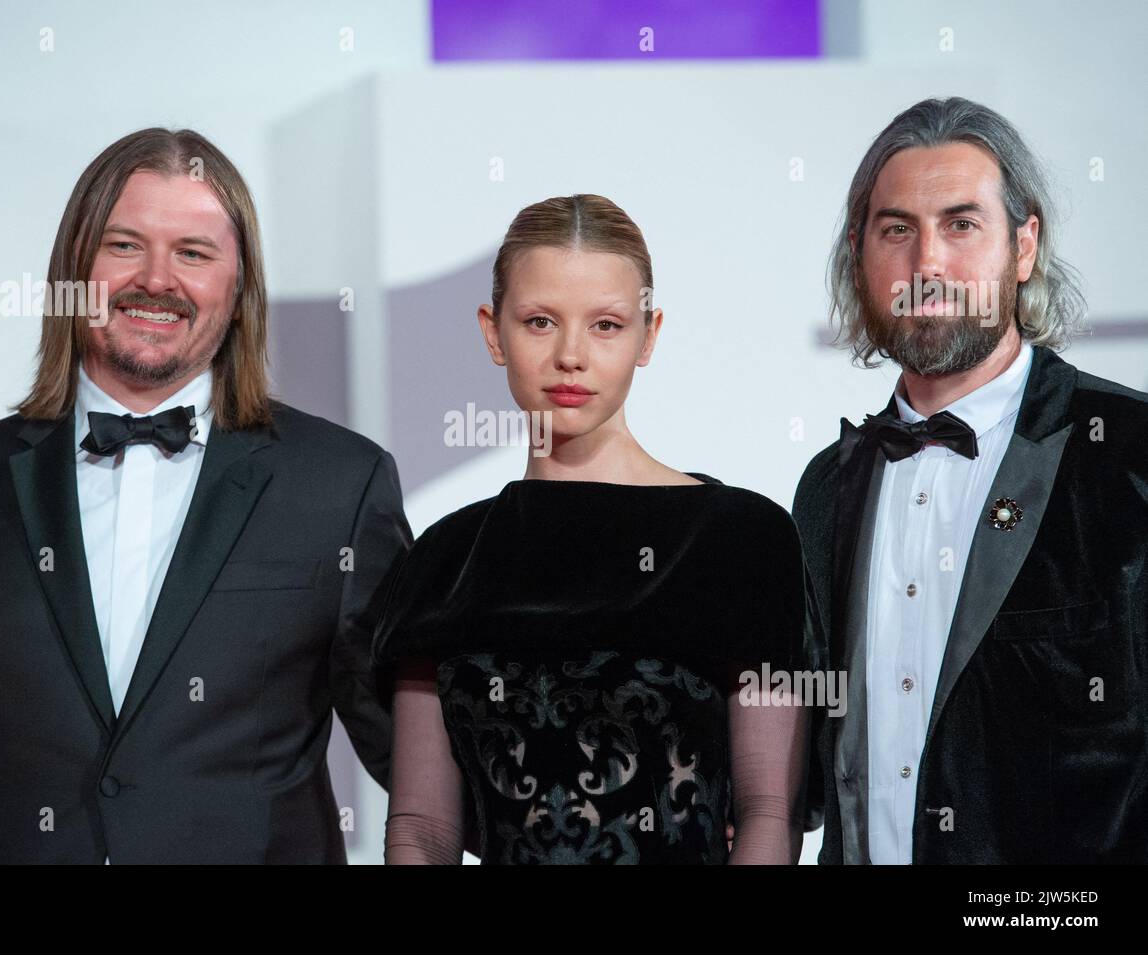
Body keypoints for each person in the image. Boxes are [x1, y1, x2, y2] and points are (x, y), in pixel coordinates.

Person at [0, 128, 411, 864]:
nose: (157, 278)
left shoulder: (339, 482)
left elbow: (414, 757)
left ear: (239, 291)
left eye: (194, 252)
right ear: (73, 271)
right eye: (123, 245)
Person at [372, 194, 823, 864]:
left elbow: (769, 813)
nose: (571, 356)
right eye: (540, 321)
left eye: (606, 325)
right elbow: (420, 829)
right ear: (493, 333)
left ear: (650, 333)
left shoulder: (741, 541)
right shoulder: (444, 561)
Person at [794, 97, 1148, 864]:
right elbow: (805, 776)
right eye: (897, 230)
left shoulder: (1132, 454)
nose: (927, 264)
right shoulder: (825, 487)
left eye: (961, 224)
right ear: (860, 254)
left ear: (1024, 247)